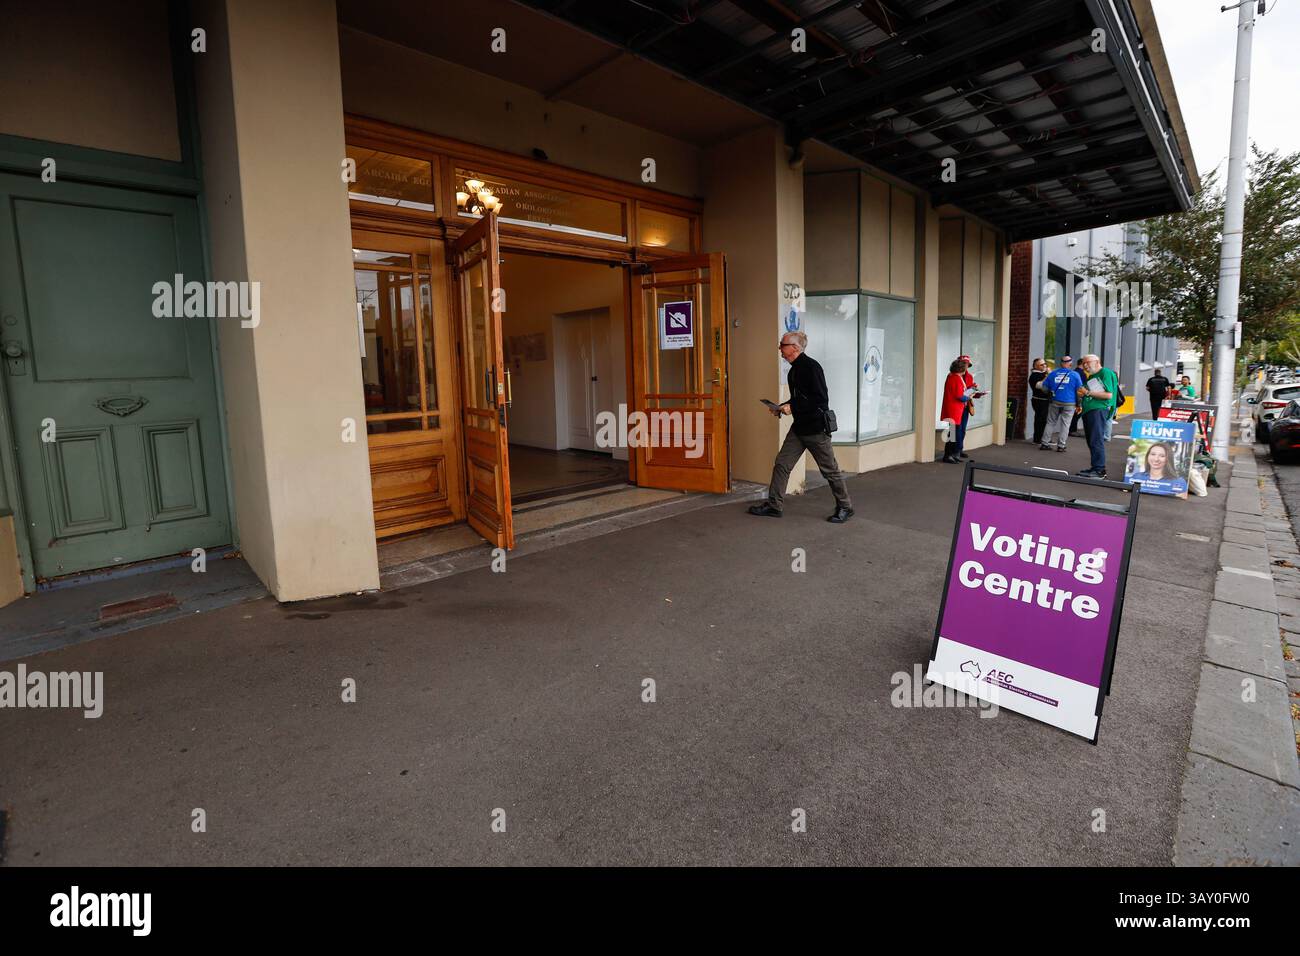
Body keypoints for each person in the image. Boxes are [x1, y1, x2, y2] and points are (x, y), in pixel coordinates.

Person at [748, 331, 854, 523]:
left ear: (795, 348)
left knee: (830, 471)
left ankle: (845, 506)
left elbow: (819, 399)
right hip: (799, 429)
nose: (779, 347)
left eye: (783, 344)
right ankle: (774, 505)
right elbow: (800, 399)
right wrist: (782, 407)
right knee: (782, 464)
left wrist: (793, 406)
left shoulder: (812, 367)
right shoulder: (794, 369)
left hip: (816, 429)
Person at [1077, 353, 1118, 479]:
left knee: (1096, 440)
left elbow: (1108, 395)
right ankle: (1096, 467)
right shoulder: (1092, 376)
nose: (1085, 366)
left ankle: (1099, 470)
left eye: (1087, 362)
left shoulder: (1105, 372)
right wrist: (1082, 393)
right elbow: (1082, 392)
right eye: (1083, 363)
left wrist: (1087, 392)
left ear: (1097, 361)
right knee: (1092, 440)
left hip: (1098, 410)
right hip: (1091, 410)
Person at [1038, 357, 1084, 452]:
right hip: (1069, 403)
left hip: (1055, 401)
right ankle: (1061, 446)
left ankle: (1044, 444)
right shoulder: (1075, 375)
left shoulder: (1053, 373)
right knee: (1065, 425)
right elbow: (1080, 391)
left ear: (1061, 363)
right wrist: (1079, 404)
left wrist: (1051, 391)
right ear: (1070, 364)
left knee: (1050, 422)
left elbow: (1044, 388)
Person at [940, 358, 977, 463]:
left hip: (954, 409)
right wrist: (970, 395)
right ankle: (948, 455)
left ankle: (951, 454)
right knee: (953, 434)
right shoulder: (955, 378)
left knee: (953, 433)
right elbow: (960, 396)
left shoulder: (953, 376)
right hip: (954, 409)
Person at [954, 353, 984, 460]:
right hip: (956, 407)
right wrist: (969, 394)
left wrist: (976, 392)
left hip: (964, 406)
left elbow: (969, 390)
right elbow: (959, 394)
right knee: (955, 430)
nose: (965, 366)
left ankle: (959, 449)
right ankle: (953, 452)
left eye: (967, 364)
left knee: (962, 429)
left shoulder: (969, 376)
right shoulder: (954, 376)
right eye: (963, 364)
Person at [1027, 357, 1050, 445]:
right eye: (1042, 364)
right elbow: (1039, 386)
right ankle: (1037, 439)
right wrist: (1047, 376)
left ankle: (1044, 438)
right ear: (1036, 366)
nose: (1044, 366)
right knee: (1040, 420)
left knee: (1045, 420)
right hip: (1039, 401)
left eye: (1045, 364)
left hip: (1046, 400)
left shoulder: (1043, 373)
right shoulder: (1034, 375)